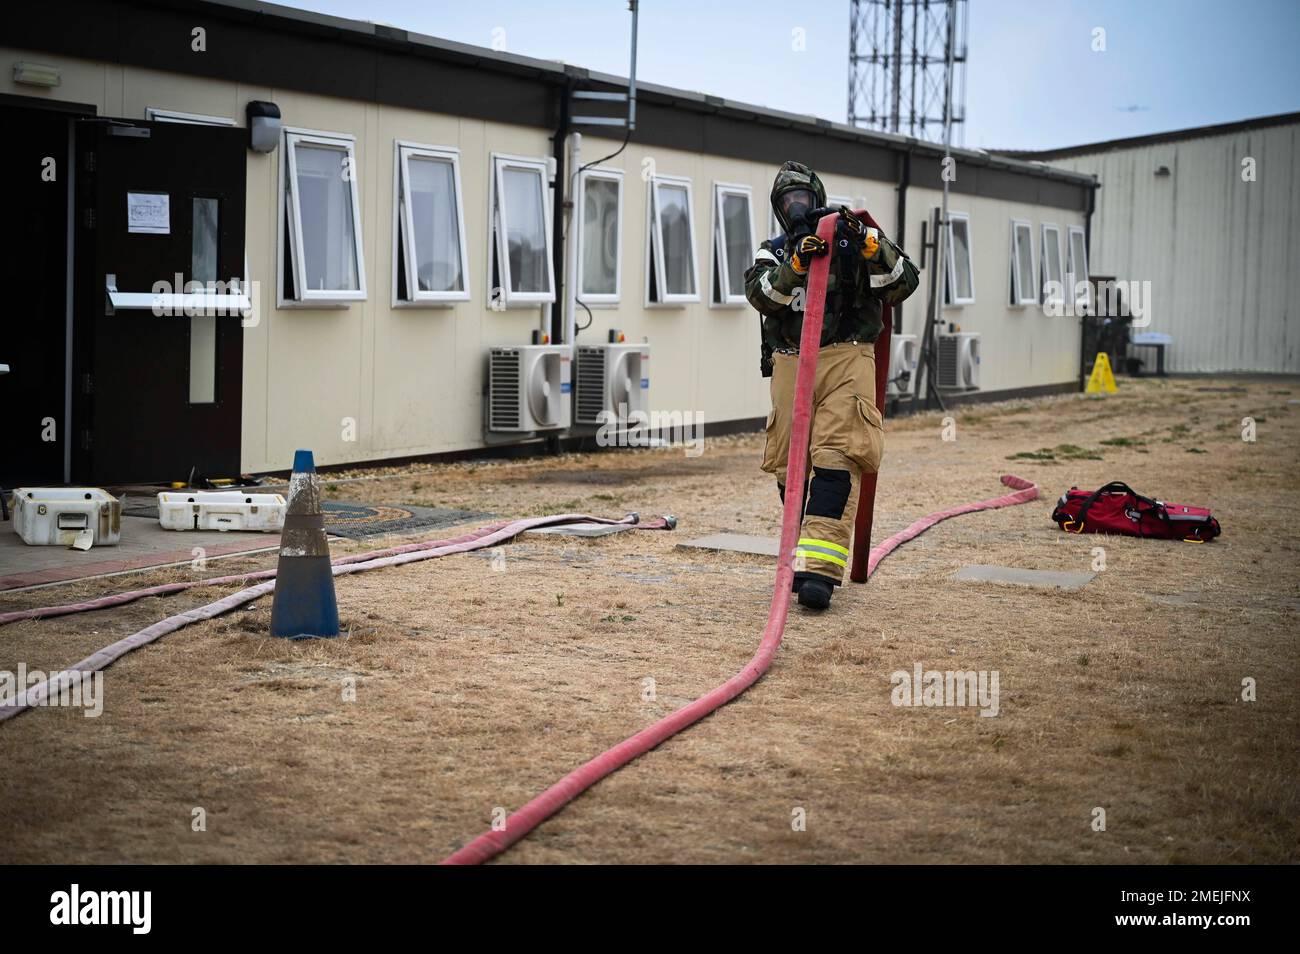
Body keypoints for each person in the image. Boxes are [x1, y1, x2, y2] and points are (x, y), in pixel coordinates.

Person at [745, 160, 919, 611]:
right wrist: (796, 263)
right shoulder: (775, 251)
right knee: (790, 467)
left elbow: (903, 281)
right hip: (790, 361)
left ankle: (819, 571)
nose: (795, 206)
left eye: (802, 197)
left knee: (837, 458)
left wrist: (866, 243)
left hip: (846, 357)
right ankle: (796, 553)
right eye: (786, 202)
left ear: (818, 197)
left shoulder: (853, 240)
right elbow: (762, 296)